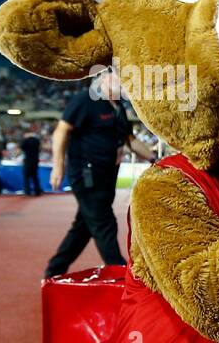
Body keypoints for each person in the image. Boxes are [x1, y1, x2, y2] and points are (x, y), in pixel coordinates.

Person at [44, 69, 156, 278]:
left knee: (84, 227)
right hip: (87, 175)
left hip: (107, 176)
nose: (124, 82)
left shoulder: (119, 107)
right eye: (120, 76)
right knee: (105, 224)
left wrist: (154, 160)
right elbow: (61, 131)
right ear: (104, 78)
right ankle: (120, 273)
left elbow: (130, 141)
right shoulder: (84, 100)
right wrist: (57, 164)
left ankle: (54, 271)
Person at [21, 126, 42, 196]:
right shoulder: (36, 140)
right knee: (35, 176)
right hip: (35, 160)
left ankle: (27, 192)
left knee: (26, 177)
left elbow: (22, 147)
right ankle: (37, 191)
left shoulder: (25, 141)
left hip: (28, 160)